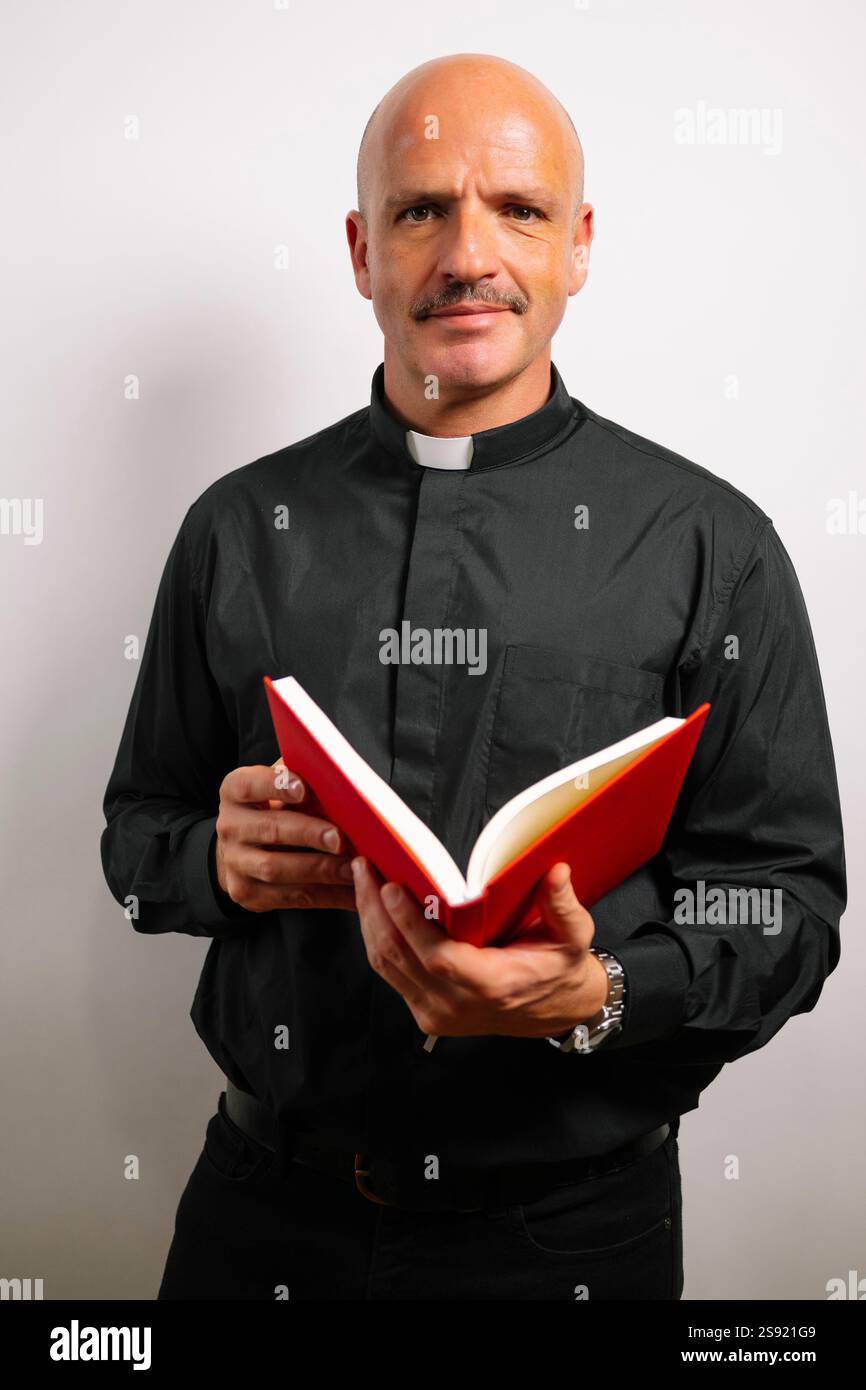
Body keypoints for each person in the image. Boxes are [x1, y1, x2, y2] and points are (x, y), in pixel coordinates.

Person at [100, 53, 846, 1301]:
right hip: (264, 1221)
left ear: (578, 245)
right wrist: (207, 863)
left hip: (572, 1239)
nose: (466, 252)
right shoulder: (237, 527)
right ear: (358, 250)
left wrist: (599, 991)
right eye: (418, 209)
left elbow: (789, 911)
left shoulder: (713, 547)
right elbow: (134, 842)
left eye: (517, 208)